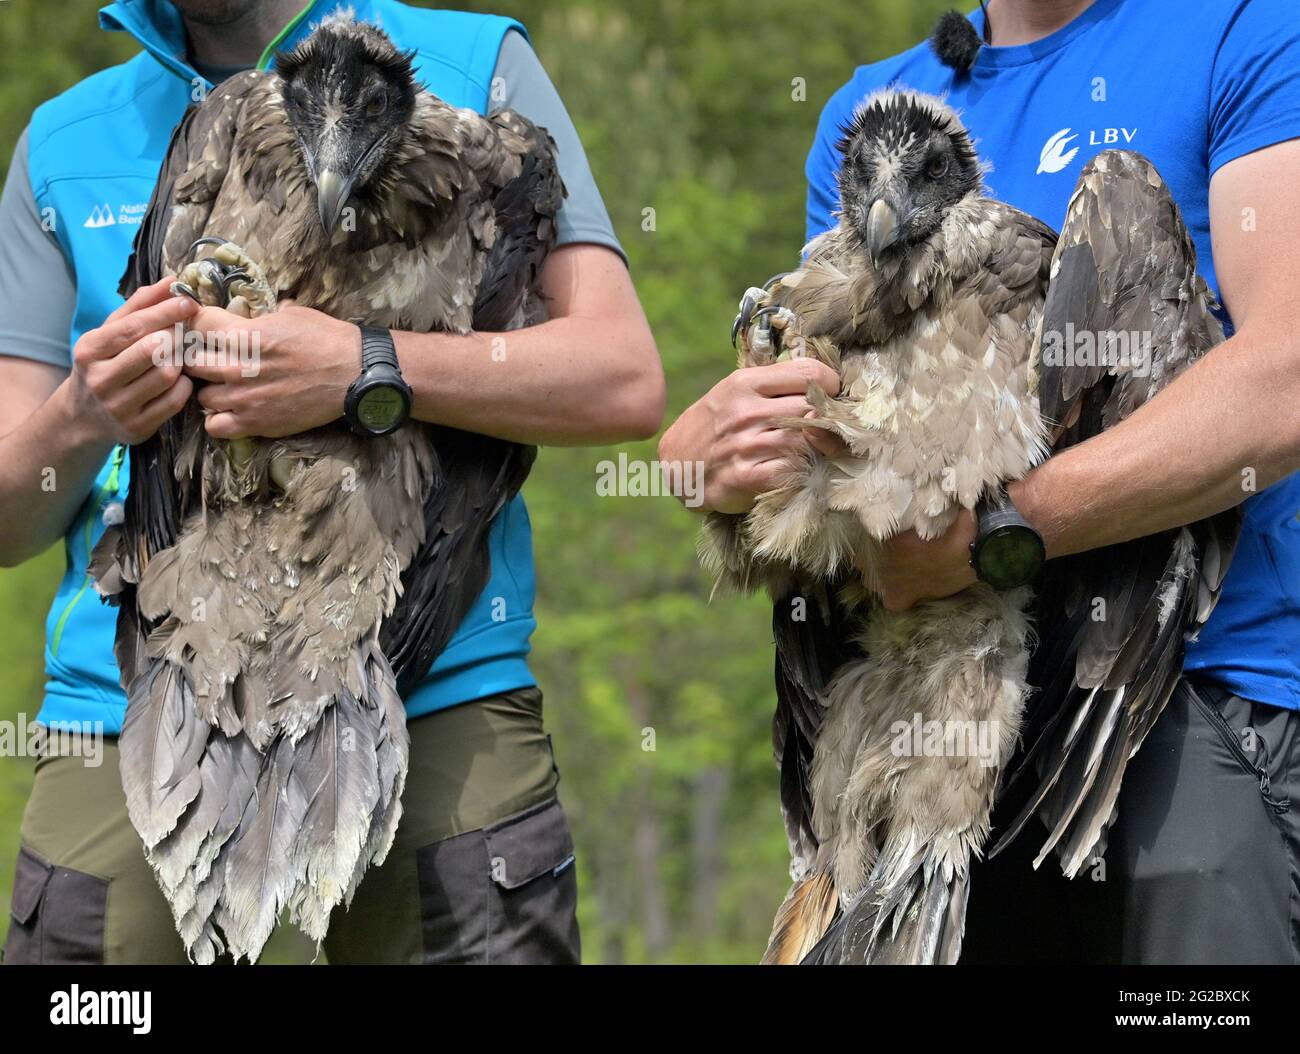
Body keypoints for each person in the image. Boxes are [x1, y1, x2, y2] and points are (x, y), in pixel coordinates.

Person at [0, 0, 663, 965]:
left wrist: (367, 369)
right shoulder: (64, 140)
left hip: (433, 698)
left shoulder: (479, 64)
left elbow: (622, 378)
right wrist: (82, 414)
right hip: (135, 710)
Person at [660, 0, 1300, 964]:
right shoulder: (872, 109)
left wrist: (1001, 532)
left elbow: (1287, 377)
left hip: (1184, 696)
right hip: (931, 711)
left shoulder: (1246, 29)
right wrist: (712, 462)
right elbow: (843, 414)